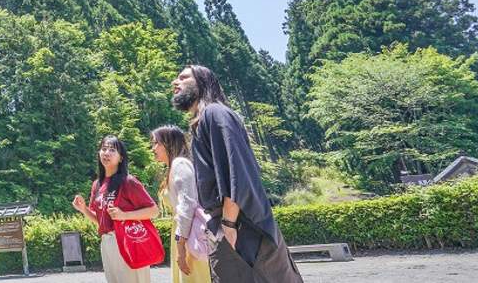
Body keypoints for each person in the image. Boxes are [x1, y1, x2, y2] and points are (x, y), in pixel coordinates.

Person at [171, 65, 304, 283]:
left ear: (202, 82)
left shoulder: (215, 113)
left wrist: (229, 224)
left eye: (183, 77)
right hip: (230, 225)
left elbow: (236, 171)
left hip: (242, 226)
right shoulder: (204, 120)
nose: (175, 82)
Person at [72, 135, 160, 283]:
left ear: (121, 158)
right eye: (103, 149)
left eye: (112, 150)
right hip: (107, 242)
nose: (106, 153)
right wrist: (83, 209)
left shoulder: (128, 181)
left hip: (128, 241)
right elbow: (100, 221)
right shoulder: (97, 185)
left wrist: (124, 215)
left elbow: (154, 211)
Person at [151, 125, 211, 283]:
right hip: (184, 234)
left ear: (169, 143)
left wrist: (181, 246)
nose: (153, 148)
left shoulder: (180, 164)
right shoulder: (174, 166)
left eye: (157, 143)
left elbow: (187, 206)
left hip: (190, 236)